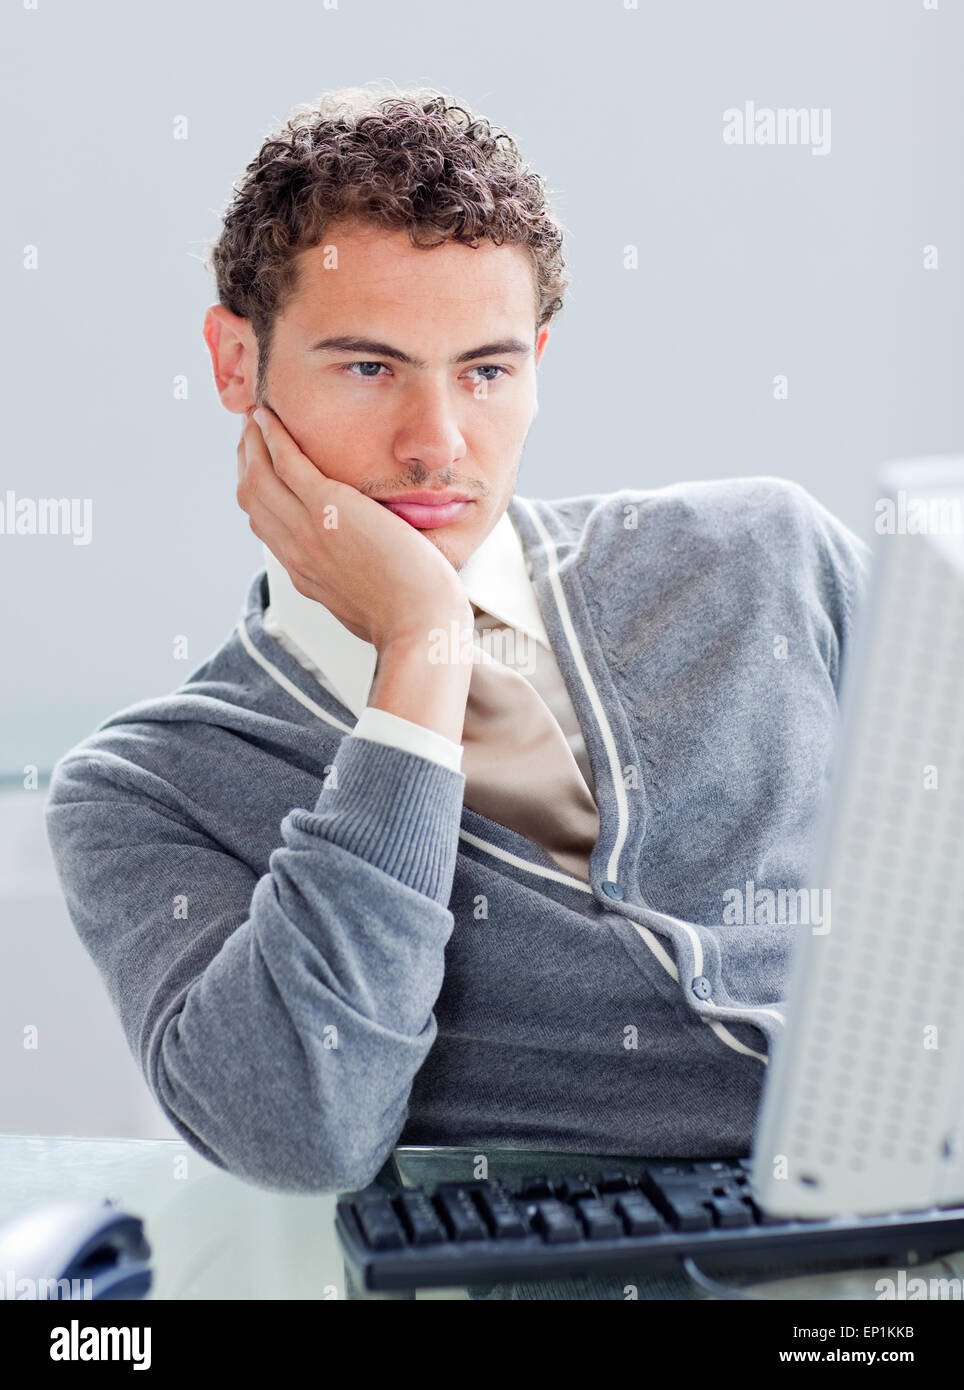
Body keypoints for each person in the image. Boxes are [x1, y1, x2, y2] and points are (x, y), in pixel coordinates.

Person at [45, 84, 870, 1197]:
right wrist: (420, 649)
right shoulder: (148, 786)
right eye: (369, 367)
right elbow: (299, 1130)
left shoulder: (766, 559)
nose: (437, 444)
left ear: (536, 360)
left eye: (486, 371)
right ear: (235, 362)